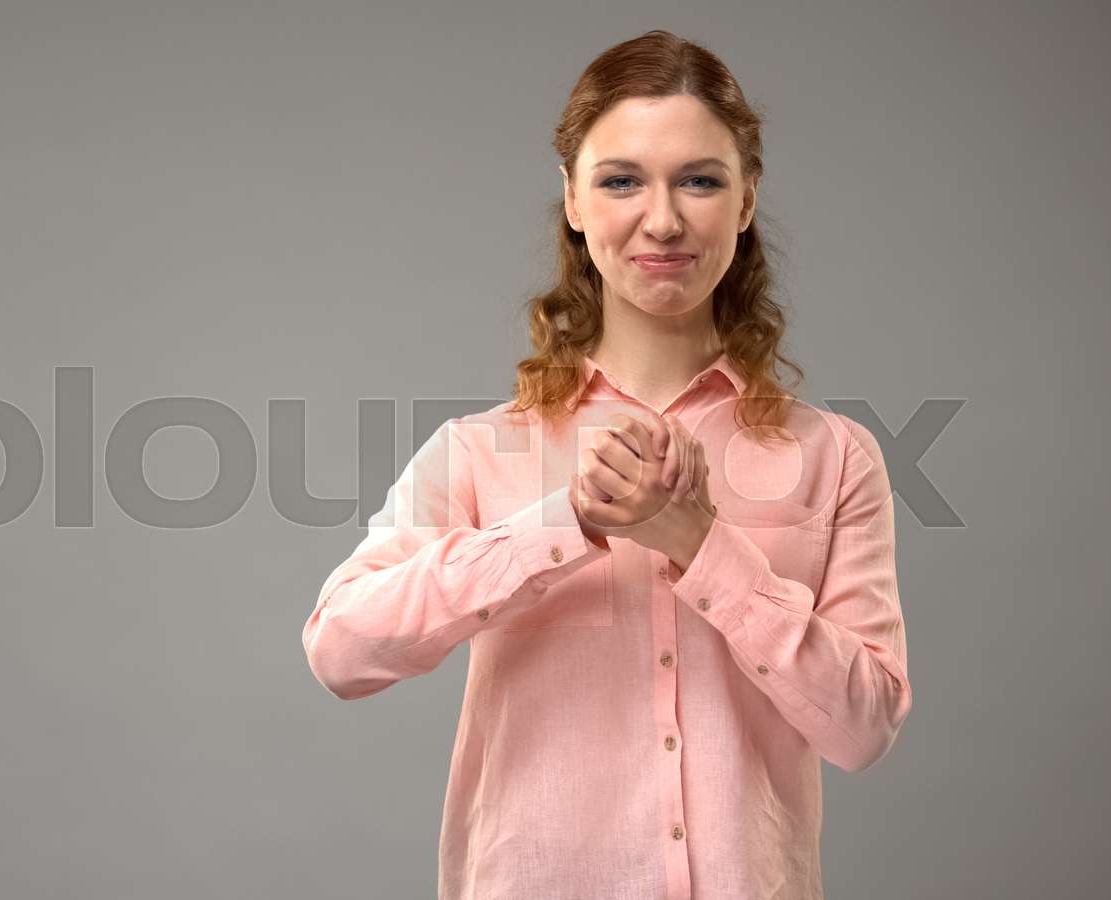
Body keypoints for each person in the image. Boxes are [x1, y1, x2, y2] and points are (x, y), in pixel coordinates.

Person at [301, 29, 911, 900]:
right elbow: (340, 651)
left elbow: (866, 727)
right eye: (621, 180)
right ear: (574, 200)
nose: (661, 220)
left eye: (699, 180)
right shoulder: (479, 451)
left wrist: (702, 545)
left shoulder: (835, 457)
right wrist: (565, 524)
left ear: (746, 200)